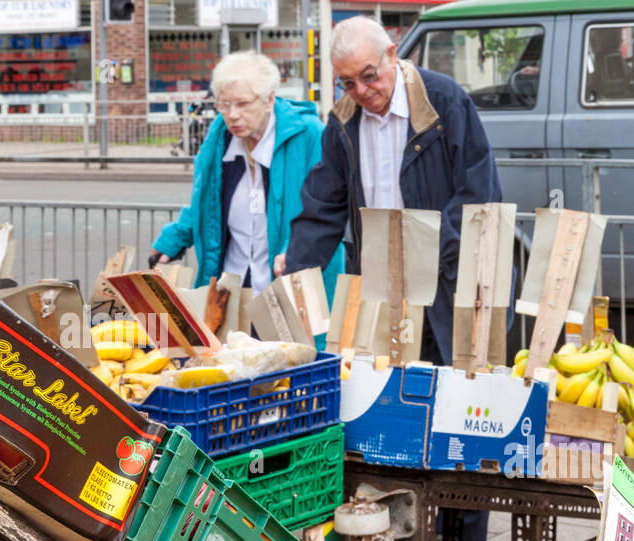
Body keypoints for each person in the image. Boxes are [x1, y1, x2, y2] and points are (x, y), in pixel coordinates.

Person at [279, 16, 504, 367]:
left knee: (452, 391)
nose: (362, 91)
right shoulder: (342, 123)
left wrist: (427, 253)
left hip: (449, 282)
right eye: (348, 83)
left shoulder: (444, 102)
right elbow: (322, 207)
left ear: (392, 54)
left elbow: (479, 194)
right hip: (381, 290)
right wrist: (297, 270)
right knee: (389, 398)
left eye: (370, 76)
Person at [150, 51, 345, 303]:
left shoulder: (309, 135)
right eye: (224, 104)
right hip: (232, 288)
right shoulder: (219, 136)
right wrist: (176, 237)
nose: (231, 115)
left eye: (242, 104)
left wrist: (297, 250)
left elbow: (327, 207)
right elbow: (206, 201)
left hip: (292, 287)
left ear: (268, 100)